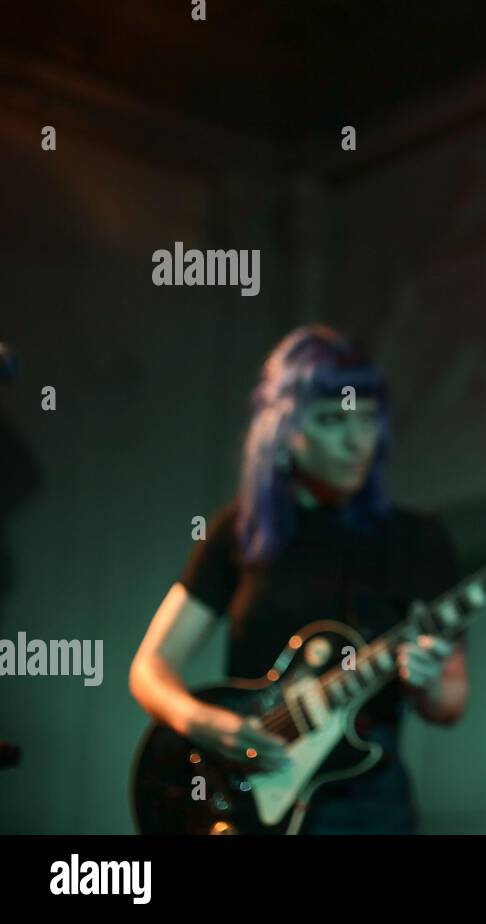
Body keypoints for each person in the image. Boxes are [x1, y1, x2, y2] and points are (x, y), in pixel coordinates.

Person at [130, 325, 467, 834]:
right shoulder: (238, 532)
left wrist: (425, 684)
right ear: (282, 430)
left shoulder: (418, 539)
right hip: (246, 796)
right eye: (333, 420)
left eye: (369, 419)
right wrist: (209, 725)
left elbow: (450, 702)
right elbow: (151, 667)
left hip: (367, 805)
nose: (358, 441)